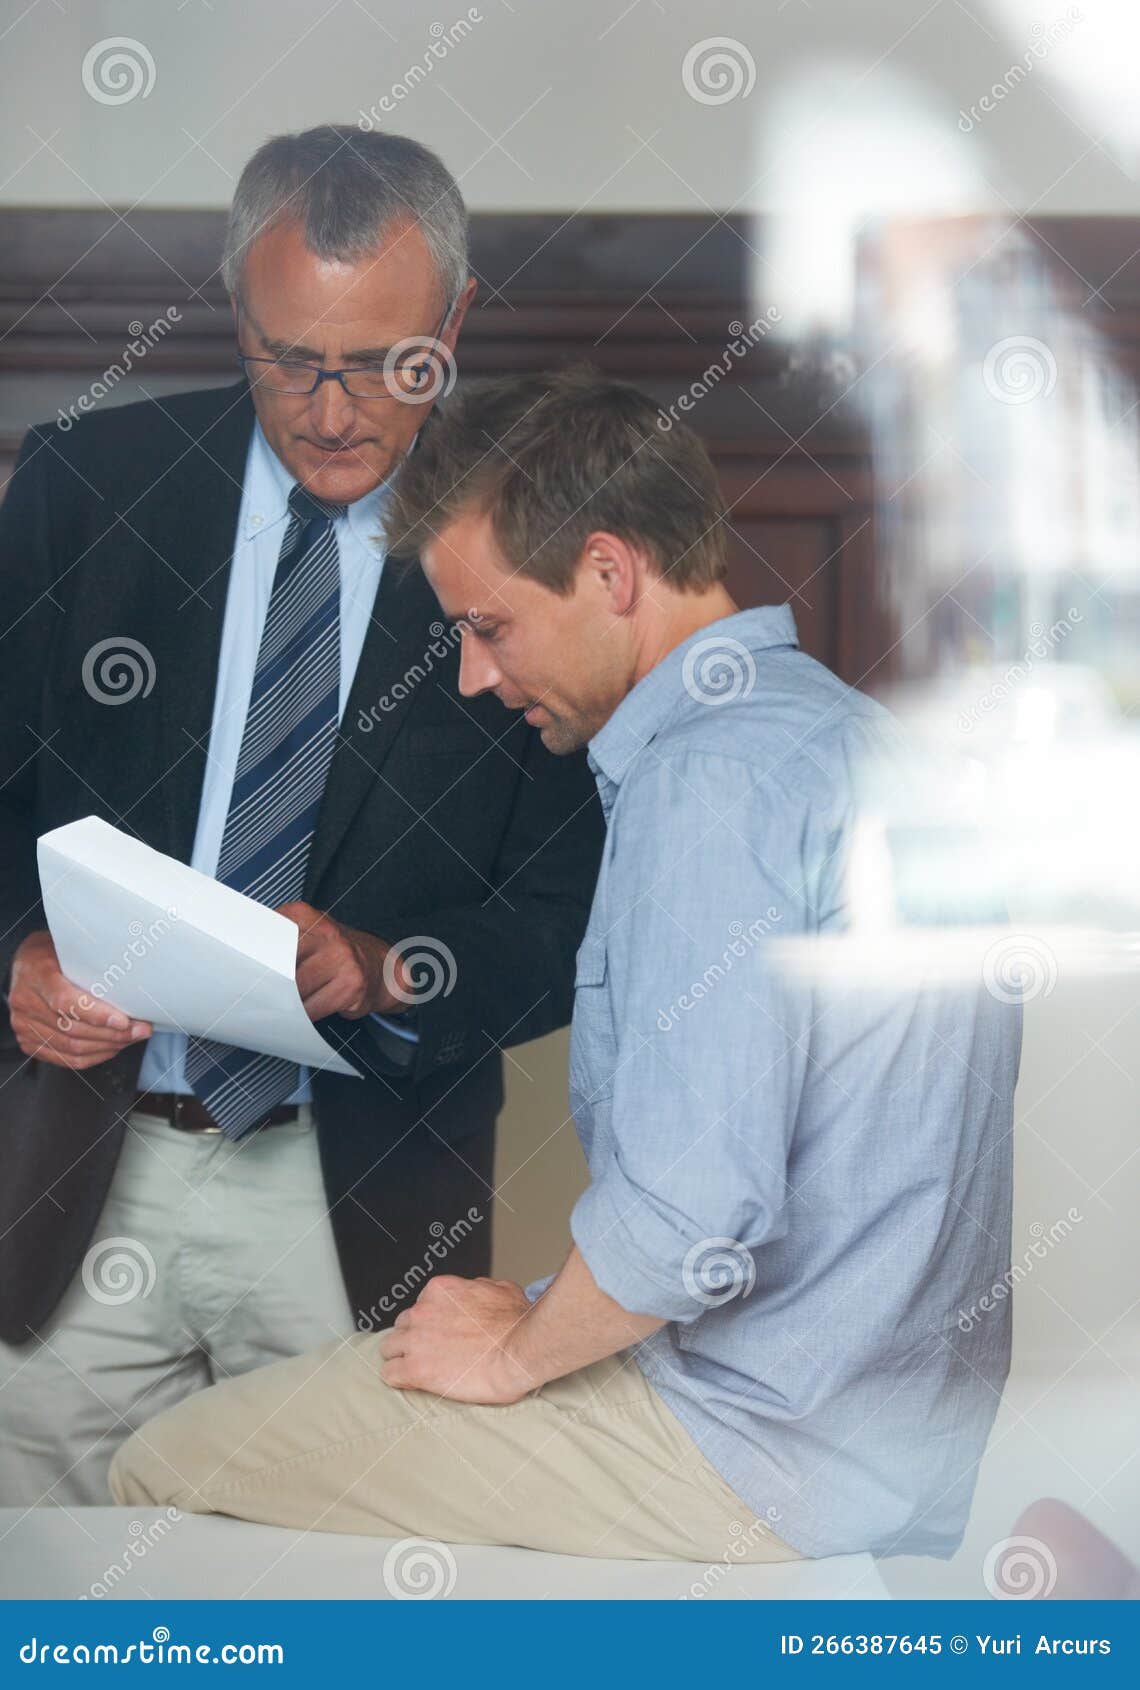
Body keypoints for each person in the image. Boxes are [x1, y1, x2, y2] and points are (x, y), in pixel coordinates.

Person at [110, 369, 1022, 1564]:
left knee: (159, 1468)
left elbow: (695, 1215)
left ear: (609, 572)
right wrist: (544, 1305)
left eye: (489, 628)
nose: (475, 680)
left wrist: (518, 1350)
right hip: (886, 1441)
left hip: (747, 1450)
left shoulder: (707, 784)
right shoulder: (854, 739)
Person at [0, 133, 602, 1506]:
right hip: (84, 1166)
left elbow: (572, 912)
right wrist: (15, 960)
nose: (332, 412)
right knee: (52, 1601)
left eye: (385, 365)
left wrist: (390, 968)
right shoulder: (88, 488)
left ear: (451, 324)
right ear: (238, 315)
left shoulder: (534, 544)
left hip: (362, 1193)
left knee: (341, 1604)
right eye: (291, 360)